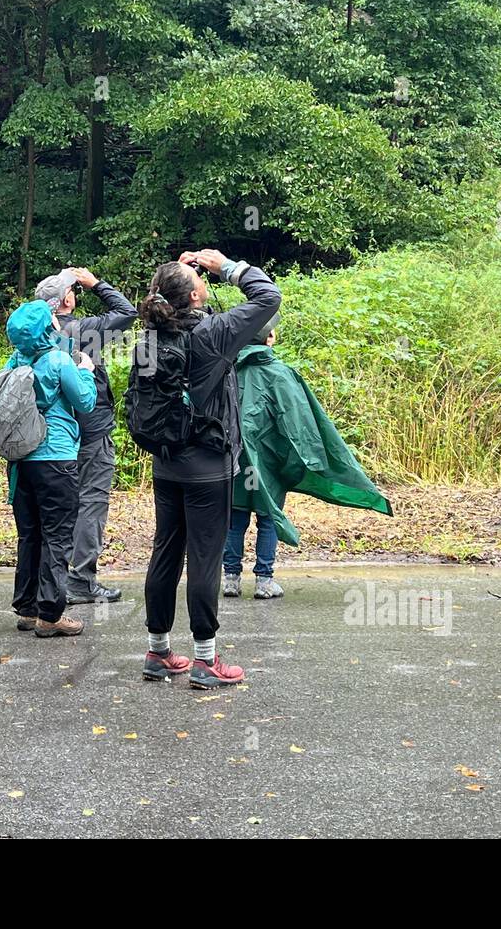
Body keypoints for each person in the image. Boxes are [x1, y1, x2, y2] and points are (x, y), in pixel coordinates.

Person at [136, 249, 281, 689]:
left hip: (165, 462)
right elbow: (267, 297)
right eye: (196, 280)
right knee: (204, 556)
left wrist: (186, 281)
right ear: (197, 292)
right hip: (207, 465)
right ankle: (205, 660)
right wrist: (225, 267)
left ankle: (158, 652)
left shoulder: (148, 337)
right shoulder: (213, 333)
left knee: (166, 551)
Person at [223, 315, 392, 599]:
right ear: (270, 339)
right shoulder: (282, 374)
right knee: (268, 516)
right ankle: (264, 580)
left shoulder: (228, 371)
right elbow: (299, 423)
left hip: (238, 462)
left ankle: (231, 579)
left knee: (235, 516)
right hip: (271, 464)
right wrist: (305, 460)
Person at [34, 266, 137, 605]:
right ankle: (80, 579)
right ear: (67, 298)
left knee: (57, 507)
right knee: (91, 502)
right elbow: (127, 312)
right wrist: (97, 284)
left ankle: (48, 583)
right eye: (74, 290)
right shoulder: (87, 331)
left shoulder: (35, 334)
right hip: (91, 429)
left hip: (52, 434)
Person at [4, 299, 98, 637]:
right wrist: (86, 371)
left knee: (30, 534)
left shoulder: (14, 362)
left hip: (20, 462)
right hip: (55, 458)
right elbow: (85, 402)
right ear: (47, 328)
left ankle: (28, 608)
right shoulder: (58, 361)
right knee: (57, 536)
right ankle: (51, 614)